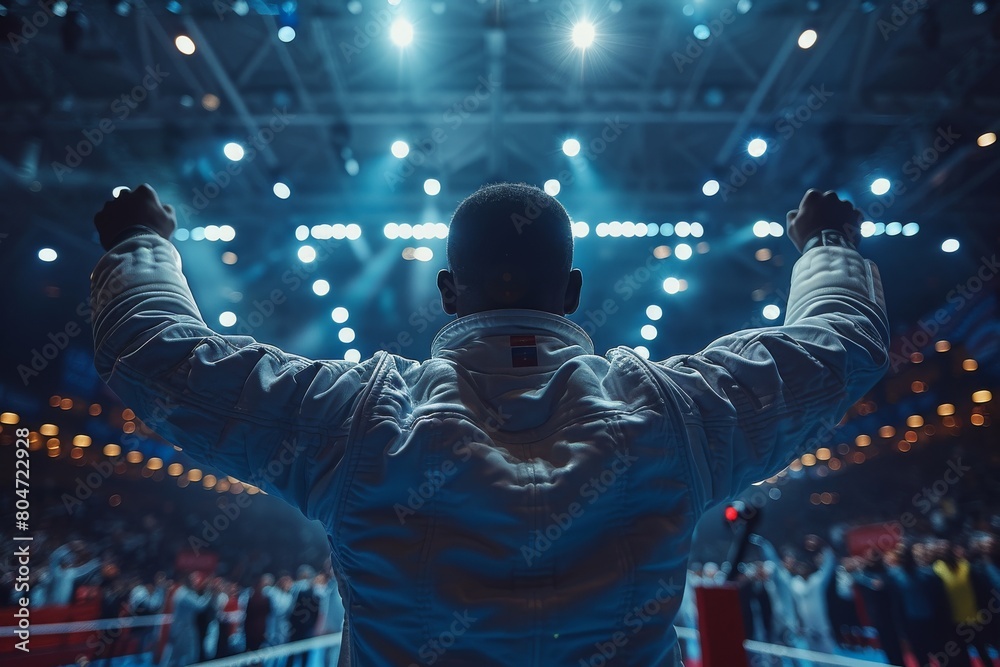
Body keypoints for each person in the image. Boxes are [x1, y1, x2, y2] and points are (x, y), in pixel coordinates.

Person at [90, 183, 890, 665]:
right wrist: (827, 241)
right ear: (571, 292)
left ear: (448, 291)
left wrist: (140, 241)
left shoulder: (357, 418)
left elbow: (156, 356)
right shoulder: (671, 411)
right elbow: (842, 347)